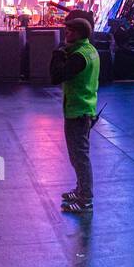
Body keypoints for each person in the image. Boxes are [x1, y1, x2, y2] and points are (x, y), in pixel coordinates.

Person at [50, 17, 99, 213]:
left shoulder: (79, 56)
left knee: (80, 157)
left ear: (79, 33)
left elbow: (55, 76)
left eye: (70, 31)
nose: (66, 34)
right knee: (77, 155)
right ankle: (80, 190)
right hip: (85, 108)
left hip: (78, 111)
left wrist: (57, 53)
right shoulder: (90, 50)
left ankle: (85, 199)